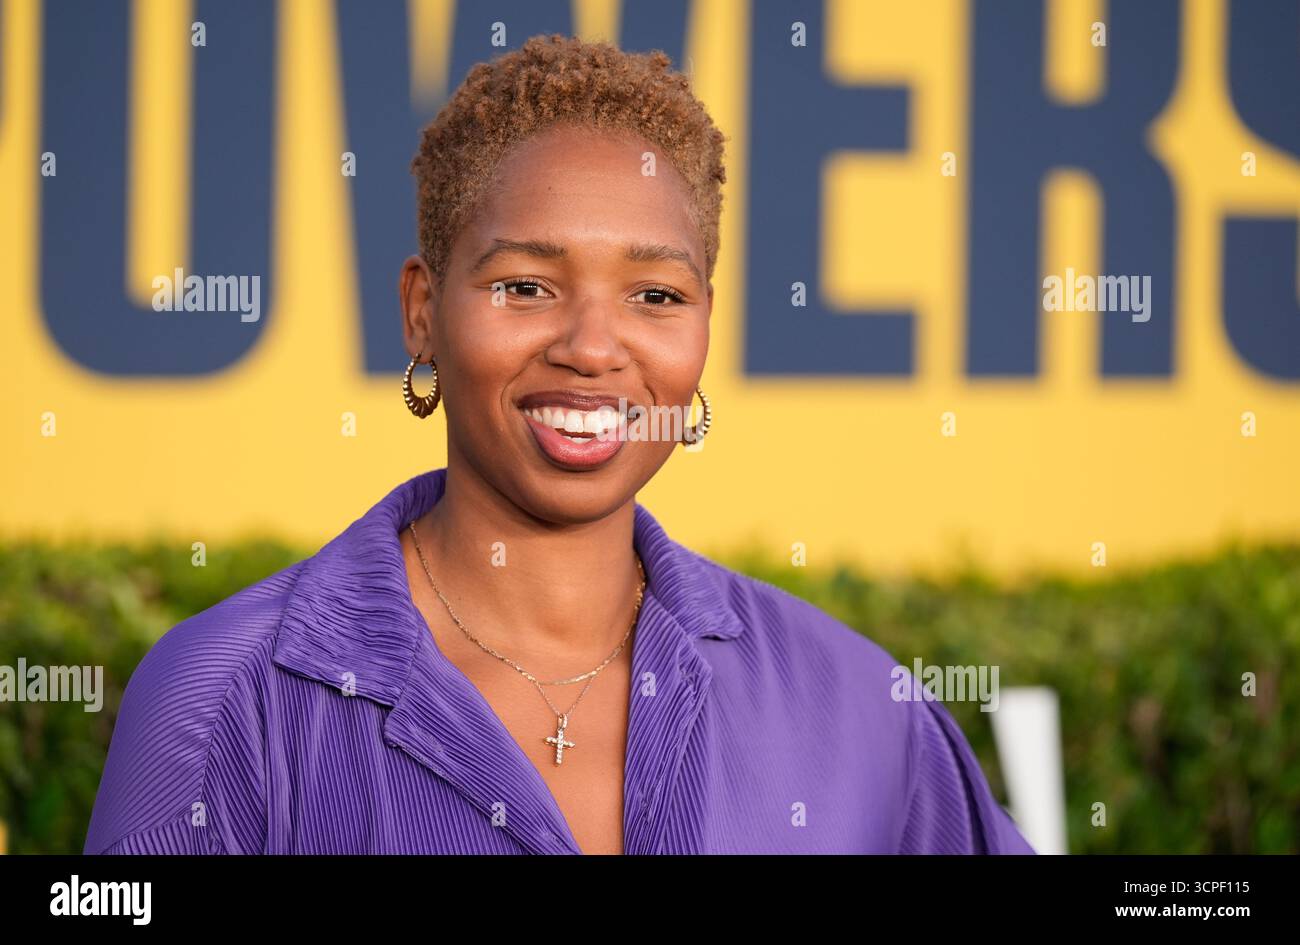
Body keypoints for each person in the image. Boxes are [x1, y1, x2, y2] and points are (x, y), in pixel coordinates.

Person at [83, 34, 1033, 855]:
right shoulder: (227, 700)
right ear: (422, 310)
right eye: (526, 286)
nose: (590, 348)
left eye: (656, 296)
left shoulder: (854, 707)